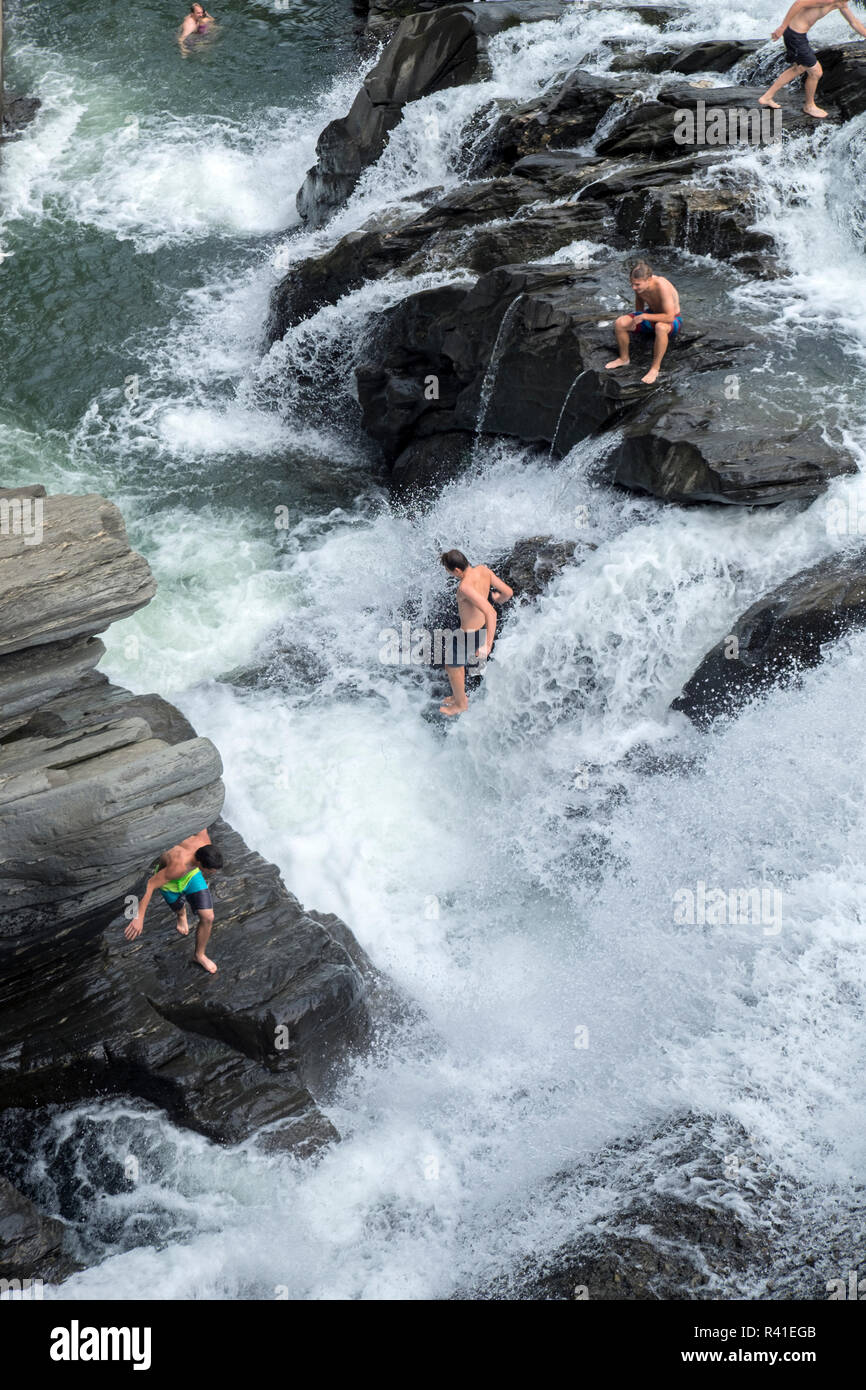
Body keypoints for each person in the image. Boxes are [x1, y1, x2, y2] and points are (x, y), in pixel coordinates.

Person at [124, 829, 223, 974]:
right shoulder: (177, 867)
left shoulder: (204, 842)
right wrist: (139, 916)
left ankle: (199, 955)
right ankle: (181, 915)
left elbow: (202, 822)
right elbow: (149, 885)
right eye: (211, 871)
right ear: (200, 863)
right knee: (178, 908)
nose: (214, 873)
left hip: (192, 875)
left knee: (208, 917)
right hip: (169, 881)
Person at [438, 550, 513, 717]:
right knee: (460, 665)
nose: (448, 573)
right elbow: (508, 592)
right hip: (481, 630)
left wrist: (487, 645)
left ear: (457, 570)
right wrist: (498, 598)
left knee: (452, 667)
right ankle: (459, 695)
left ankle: (460, 703)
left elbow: (491, 613)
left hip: (468, 636)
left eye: (448, 570)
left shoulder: (464, 587)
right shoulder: (483, 570)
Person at [758, 2, 866, 118]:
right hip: (795, 36)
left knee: (798, 68)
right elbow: (799, 3)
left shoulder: (841, 4)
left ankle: (767, 97)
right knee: (816, 72)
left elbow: (854, 22)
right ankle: (809, 106)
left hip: (798, 36)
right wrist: (782, 27)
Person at [605, 260, 683, 385]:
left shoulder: (662, 286)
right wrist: (637, 319)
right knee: (620, 323)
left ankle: (655, 368)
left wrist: (644, 316)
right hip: (652, 314)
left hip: (673, 320)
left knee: (660, 327)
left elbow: (669, 317)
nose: (633, 287)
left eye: (637, 285)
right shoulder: (640, 286)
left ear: (649, 279)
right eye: (632, 284)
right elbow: (639, 302)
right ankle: (624, 358)